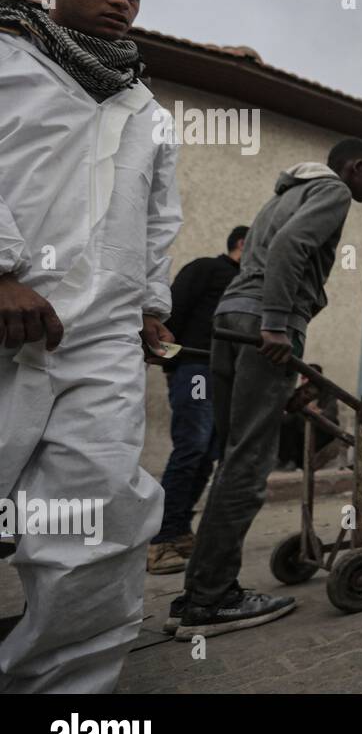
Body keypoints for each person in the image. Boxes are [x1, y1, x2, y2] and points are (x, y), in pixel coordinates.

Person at [0, 0, 182, 692]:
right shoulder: (8, 60)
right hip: (9, 324)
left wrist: (149, 305)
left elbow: (157, 217)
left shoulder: (145, 107)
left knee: (97, 526)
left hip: (103, 339)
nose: (119, 2)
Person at [170, 138, 362, 639]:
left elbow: (272, 249)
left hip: (229, 321)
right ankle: (212, 599)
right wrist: (279, 325)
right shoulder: (333, 192)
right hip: (263, 325)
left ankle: (199, 589)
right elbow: (291, 247)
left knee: (233, 455)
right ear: (356, 168)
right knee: (250, 460)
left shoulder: (285, 194)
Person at [148, 225, 249, 574]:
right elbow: (173, 311)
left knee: (208, 452)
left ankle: (178, 529)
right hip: (196, 369)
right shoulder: (208, 268)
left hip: (224, 377)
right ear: (241, 243)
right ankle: (160, 539)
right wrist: (167, 358)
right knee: (191, 446)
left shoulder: (247, 283)